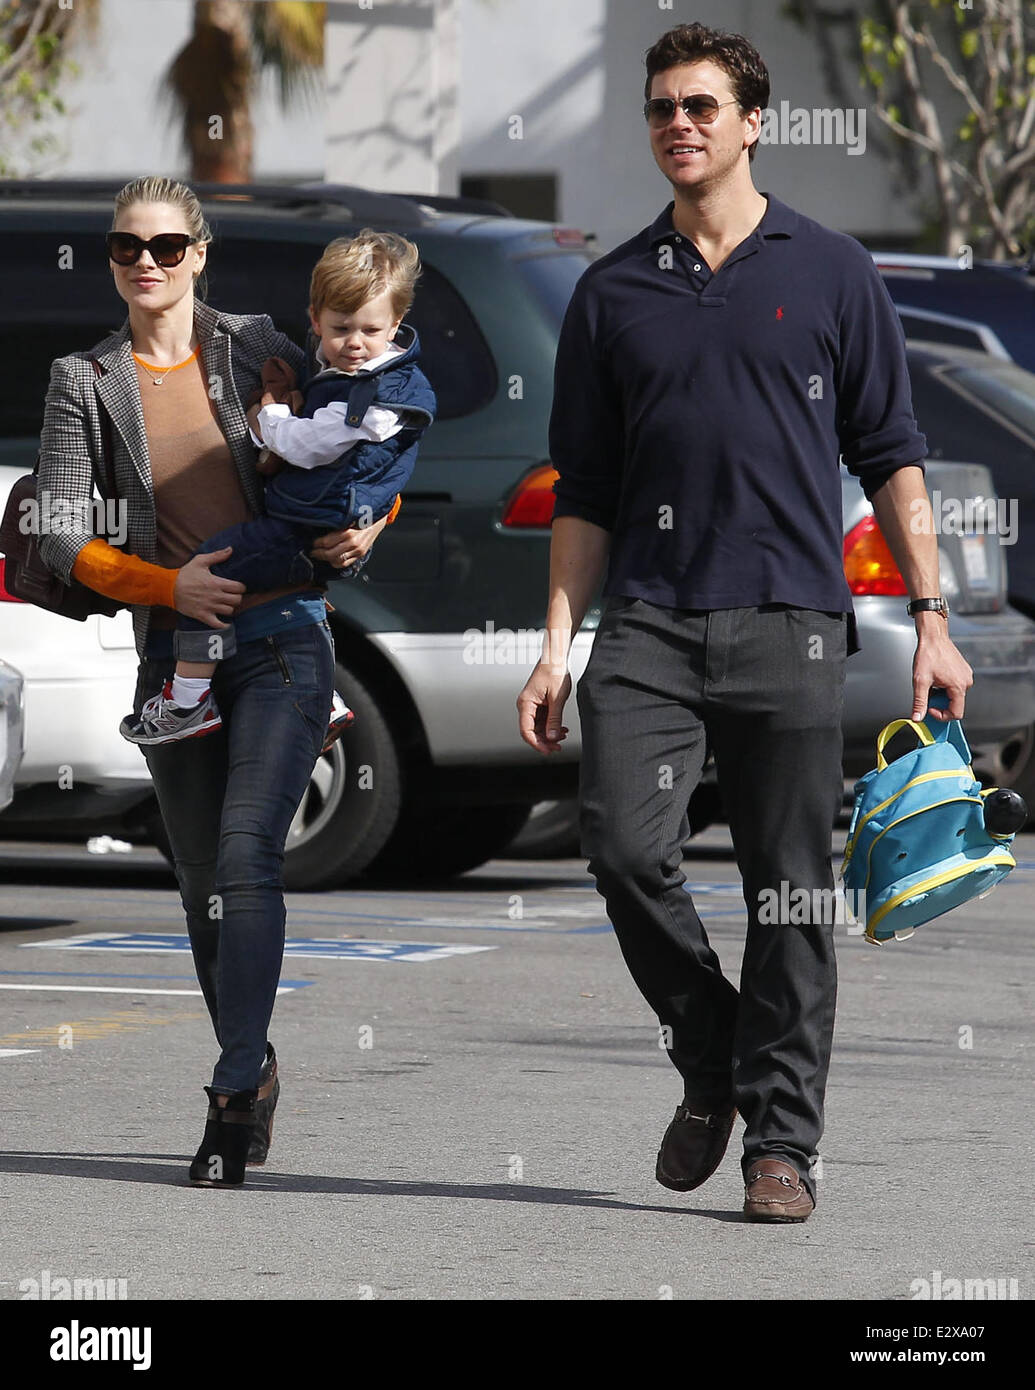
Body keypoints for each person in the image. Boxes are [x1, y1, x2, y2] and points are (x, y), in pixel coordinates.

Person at [516, 23, 973, 1223]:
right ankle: (712, 1045)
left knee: (788, 893)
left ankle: (781, 1144)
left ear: (752, 120)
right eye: (662, 106)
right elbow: (587, 491)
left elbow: (895, 458)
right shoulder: (613, 291)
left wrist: (932, 616)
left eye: (702, 105)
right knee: (620, 845)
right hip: (651, 623)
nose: (680, 123)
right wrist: (558, 640)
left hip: (792, 620)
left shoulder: (831, 271)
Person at [37, 176, 393, 1187]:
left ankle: (233, 1090)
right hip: (173, 650)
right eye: (124, 248)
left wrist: (371, 526)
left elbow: (363, 446)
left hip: (286, 633)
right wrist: (167, 584)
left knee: (246, 857)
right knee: (202, 891)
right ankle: (257, 1062)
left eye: (165, 246)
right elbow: (63, 532)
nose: (144, 263)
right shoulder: (85, 379)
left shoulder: (259, 348)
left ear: (199, 253)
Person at [118, 229, 435, 746]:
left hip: (303, 525)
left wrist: (268, 421)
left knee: (212, 571)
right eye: (341, 329)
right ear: (315, 321)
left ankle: (186, 699)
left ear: (397, 325)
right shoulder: (340, 369)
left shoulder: (376, 388)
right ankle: (322, 700)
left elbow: (316, 446)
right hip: (303, 522)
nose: (354, 343)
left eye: (371, 330)